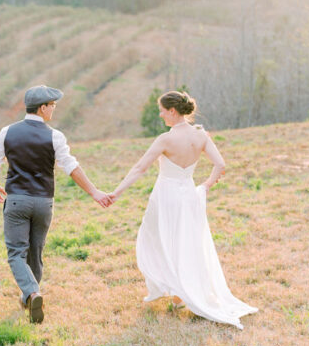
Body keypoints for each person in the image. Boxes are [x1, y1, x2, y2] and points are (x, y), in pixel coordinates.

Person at [109, 90, 257, 329]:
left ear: (173, 111)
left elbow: (139, 169)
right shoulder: (200, 136)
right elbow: (220, 164)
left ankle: (178, 292)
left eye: (162, 110)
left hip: (166, 195)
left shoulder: (165, 140)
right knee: (186, 242)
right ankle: (179, 294)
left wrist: (116, 192)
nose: (160, 114)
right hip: (189, 194)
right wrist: (206, 186)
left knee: (160, 240)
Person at [0, 85, 111, 323]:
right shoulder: (55, 136)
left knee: (16, 254)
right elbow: (71, 167)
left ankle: (32, 294)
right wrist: (94, 192)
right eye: (52, 106)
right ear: (42, 108)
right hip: (44, 202)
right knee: (36, 253)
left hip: (17, 201)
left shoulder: (7, 132)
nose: (53, 109)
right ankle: (29, 299)